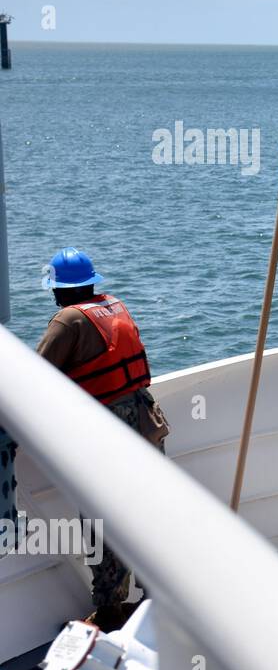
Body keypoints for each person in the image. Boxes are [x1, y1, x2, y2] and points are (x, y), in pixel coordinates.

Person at [35, 248, 170, 631]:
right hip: (146, 423)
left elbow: (35, 376)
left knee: (102, 525)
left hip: (105, 432)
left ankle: (110, 613)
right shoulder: (115, 306)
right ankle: (155, 603)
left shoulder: (68, 320)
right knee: (147, 516)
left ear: (60, 290)